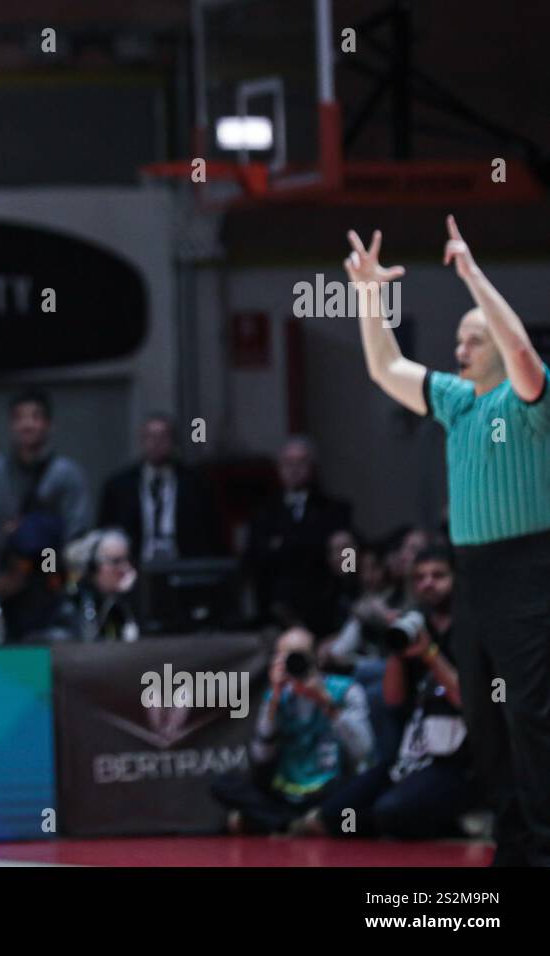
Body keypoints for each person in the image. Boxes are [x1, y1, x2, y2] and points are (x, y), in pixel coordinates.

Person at [345, 217, 550, 865]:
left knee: (531, 714)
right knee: (487, 724)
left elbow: (519, 350)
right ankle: (514, 844)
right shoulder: (458, 402)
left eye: (471, 339)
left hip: (531, 571)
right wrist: (369, 298)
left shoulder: (530, 400)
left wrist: (471, 275)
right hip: (475, 575)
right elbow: (385, 368)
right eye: (458, 339)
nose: (458, 349)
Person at [300, 547, 475, 840]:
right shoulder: (415, 624)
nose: (428, 583)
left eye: (438, 575)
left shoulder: (471, 628)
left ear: (457, 579)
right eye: (420, 577)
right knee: (334, 817)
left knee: (389, 814)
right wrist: (396, 649)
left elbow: (468, 702)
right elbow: (393, 700)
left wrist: (430, 654)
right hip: (408, 758)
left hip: (456, 762)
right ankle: (424, 817)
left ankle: (457, 814)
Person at [0, 388, 90, 639]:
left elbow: (78, 534)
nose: (28, 425)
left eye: (35, 417)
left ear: (49, 424)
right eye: (20, 418)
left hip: (54, 588)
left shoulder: (66, 474)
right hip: (5, 586)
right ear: (12, 425)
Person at [210, 627, 374, 834]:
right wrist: (274, 702)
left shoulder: (346, 689)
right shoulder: (276, 696)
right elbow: (261, 757)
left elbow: (364, 749)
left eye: (297, 656)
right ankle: (294, 823)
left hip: (330, 786)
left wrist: (325, 703)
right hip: (287, 789)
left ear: (316, 658)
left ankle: (277, 821)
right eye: (283, 657)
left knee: (353, 810)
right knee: (223, 784)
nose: (291, 663)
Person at [245, 436, 352, 628]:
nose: (294, 469)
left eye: (301, 462)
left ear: (313, 467)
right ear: (279, 468)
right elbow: (256, 557)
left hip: (323, 604)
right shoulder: (264, 511)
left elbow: (343, 561)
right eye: (288, 463)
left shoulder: (334, 509)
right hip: (276, 609)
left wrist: (283, 545)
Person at [97, 412, 220, 562]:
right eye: (151, 436)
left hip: (184, 565)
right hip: (134, 566)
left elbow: (211, 533)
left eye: (163, 437)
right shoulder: (119, 486)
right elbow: (106, 533)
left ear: (173, 441)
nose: (157, 443)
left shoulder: (195, 484)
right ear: (142, 441)